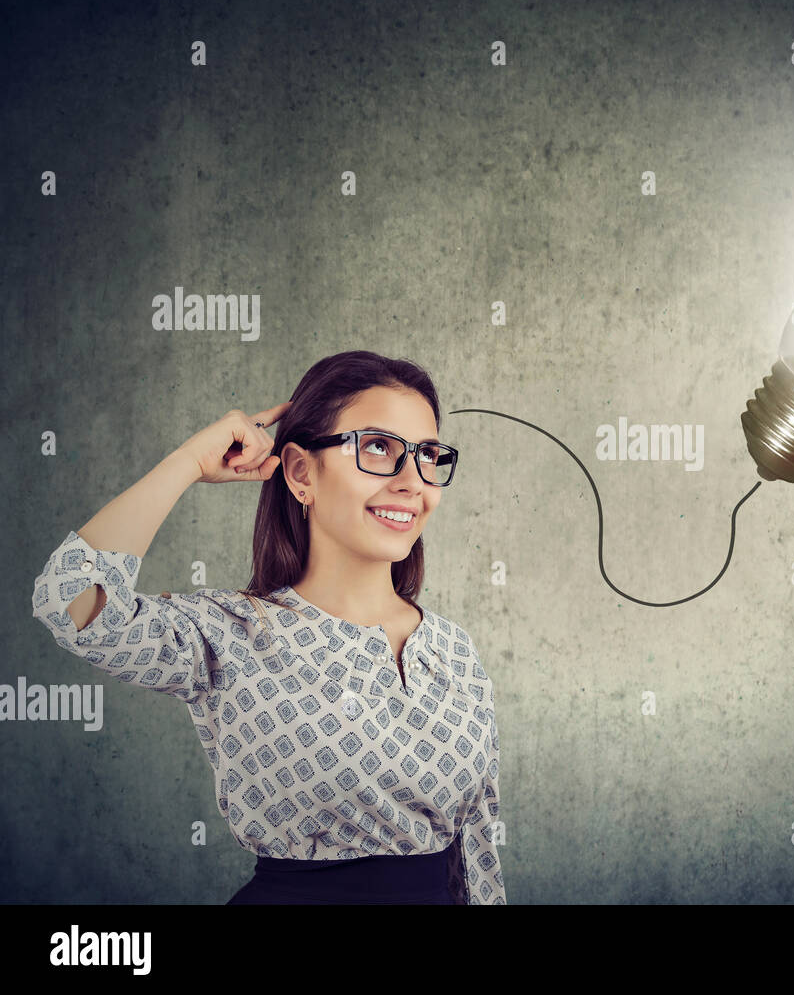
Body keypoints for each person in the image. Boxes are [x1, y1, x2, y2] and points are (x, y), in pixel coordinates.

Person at [30, 350, 505, 904]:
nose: (411, 481)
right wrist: (188, 462)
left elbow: (477, 852)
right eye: (378, 447)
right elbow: (68, 600)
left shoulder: (453, 649)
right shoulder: (227, 634)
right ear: (302, 472)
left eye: (427, 455)